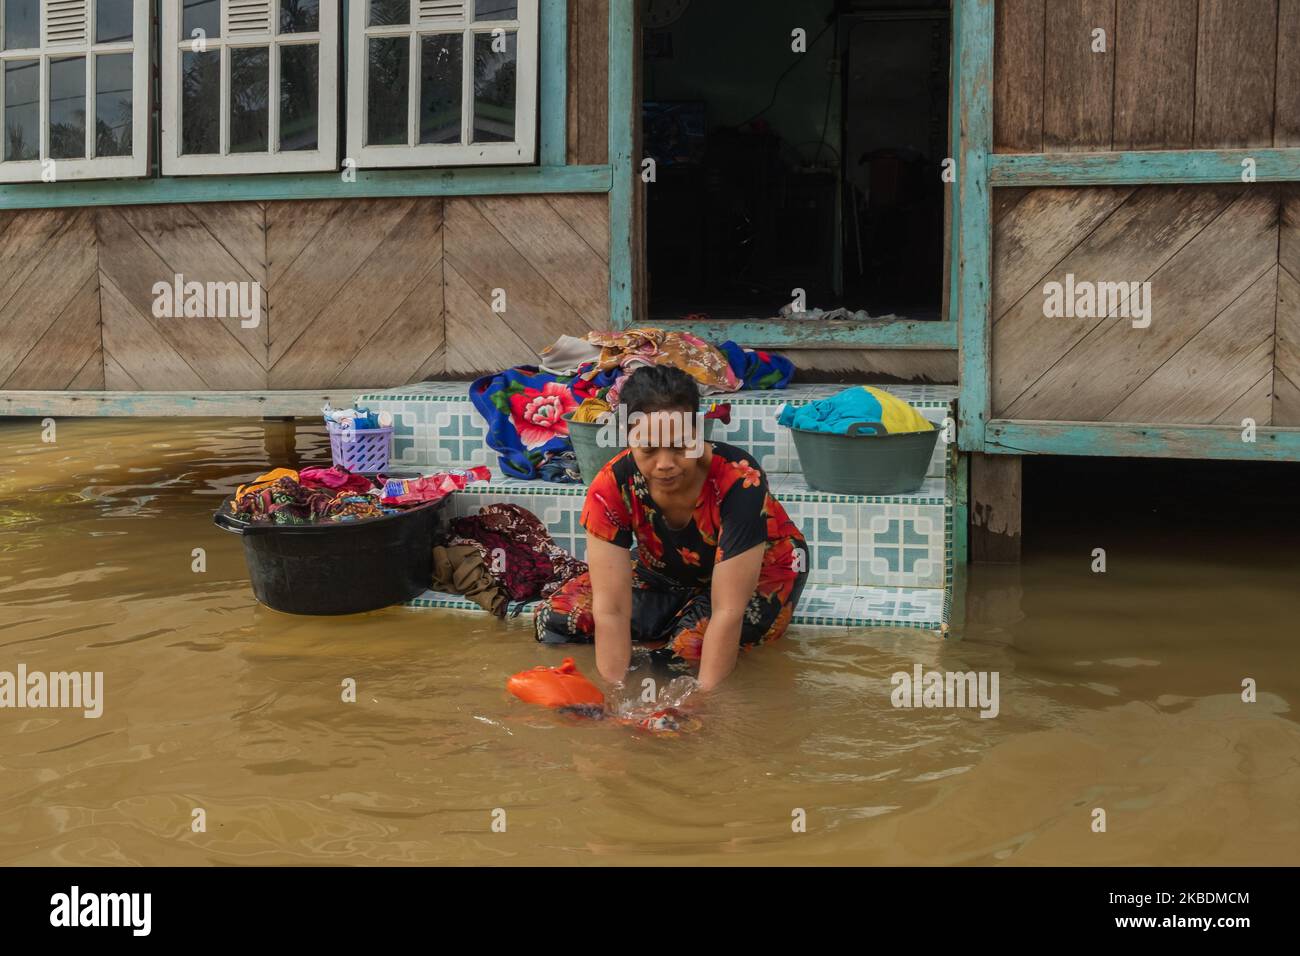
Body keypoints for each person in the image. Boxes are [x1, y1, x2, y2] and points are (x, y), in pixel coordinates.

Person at [533, 365, 809, 691]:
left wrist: (706, 702)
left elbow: (728, 609)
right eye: (648, 449)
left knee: (685, 656)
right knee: (557, 616)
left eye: (679, 446)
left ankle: (675, 629)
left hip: (765, 569)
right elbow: (611, 608)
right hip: (668, 569)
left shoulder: (738, 477)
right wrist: (614, 694)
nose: (665, 463)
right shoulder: (610, 486)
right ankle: (676, 620)